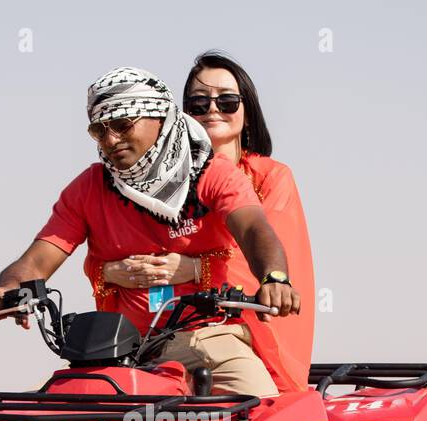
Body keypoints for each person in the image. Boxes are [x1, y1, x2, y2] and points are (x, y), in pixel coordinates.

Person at [0, 66, 299, 398]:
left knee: (263, 412)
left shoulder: (213, 173)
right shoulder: (89, 188)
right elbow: (35, 261)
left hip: (207, 340)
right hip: (115, 350)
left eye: (121, 125)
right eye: (99, 131)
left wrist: (275, 277)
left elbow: (254, 229)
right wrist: (6, 289)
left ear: (161, 118)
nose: (111, 140)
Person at [91, 52, 315, 393]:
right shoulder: (151, 178)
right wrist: (106, 271)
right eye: (198, 103)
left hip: (231, 334)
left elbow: (270, 250)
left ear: (247, 113)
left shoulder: (269, 177)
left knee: (265, 418)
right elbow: (132, 248)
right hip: (155, 335)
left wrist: (196, 269)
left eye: (227, 101)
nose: (212, 109)